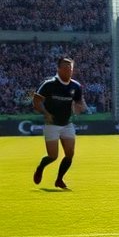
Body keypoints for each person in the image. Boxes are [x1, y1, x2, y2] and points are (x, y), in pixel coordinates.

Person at [32, 57, 86, 190]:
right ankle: (40, 167)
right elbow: (36, 101)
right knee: (53, 156)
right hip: (52, 125)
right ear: (59, 69)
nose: (69, 71)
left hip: (67, 124)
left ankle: (59, 179)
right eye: (66, 68)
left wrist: (79, 107)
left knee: (70, 154)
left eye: (71, 68)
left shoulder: (76, 86)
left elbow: (79, 102)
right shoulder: (49, 84)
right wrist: (46, 113)